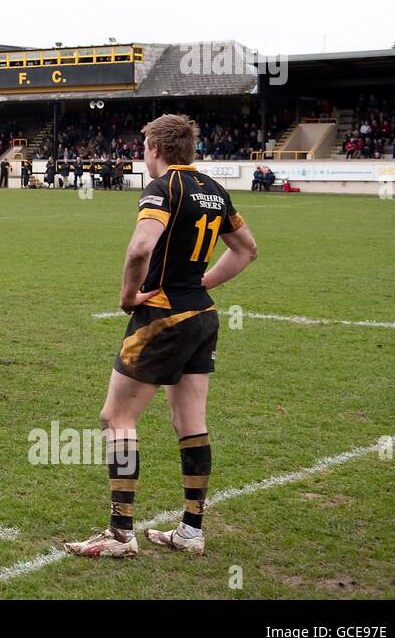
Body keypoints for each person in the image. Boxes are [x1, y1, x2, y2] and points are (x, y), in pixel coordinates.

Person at [64, 114, 258, 559]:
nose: (141, 153)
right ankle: (191, 530)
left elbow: (139, 248)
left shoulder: (163, 188)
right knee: (191, 423)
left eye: (143, 146)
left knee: (117, 419)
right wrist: (202, 284)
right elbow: (247, 249)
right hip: (201, 315)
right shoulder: (214, 189)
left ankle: (119, 534)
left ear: (156, 148)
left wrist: (128, 296)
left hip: (162, 317)